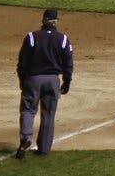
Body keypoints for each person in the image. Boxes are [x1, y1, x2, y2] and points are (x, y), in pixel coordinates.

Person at [15, 8, 74, 159]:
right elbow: (68, 63)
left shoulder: (31, 37)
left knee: (28, 110)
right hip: (52, 80)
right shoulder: (63, 39)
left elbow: (22, 62)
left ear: (43, 20)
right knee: (48, 114)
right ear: (56, 22)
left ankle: (26, 138)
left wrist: (22, 80)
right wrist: (67, 81)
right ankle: (44, 149)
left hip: (33, 79)